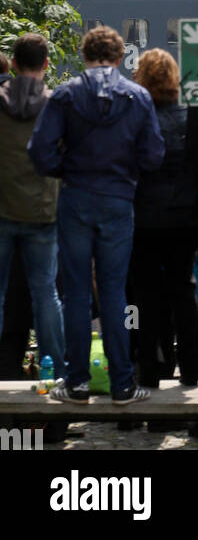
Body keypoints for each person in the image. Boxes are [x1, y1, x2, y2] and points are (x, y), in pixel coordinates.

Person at [28, 25, 165, 405]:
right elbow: (154, 154)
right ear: (120, 58)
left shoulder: (67, 94)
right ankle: (122, 383)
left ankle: (77, 382)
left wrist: (65, 170)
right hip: (118, 199)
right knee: (115, 292)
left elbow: (39, 150)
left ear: (84, 55)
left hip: (76, 197)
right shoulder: (138, 96)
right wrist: (126, 173)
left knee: (74, 293)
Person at [129, 49, 198, 392]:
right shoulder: (192, 116)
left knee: (145, 294)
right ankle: (191, 367)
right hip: (184, 216)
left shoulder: (136, 117)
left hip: (143, 216)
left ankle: (150, 366)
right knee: (184, 290)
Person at [0, 34, 65, 379]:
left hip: (1, 210)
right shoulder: (55, 104)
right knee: (46, 294)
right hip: (43, 212)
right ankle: (57, 371)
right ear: (46, 65)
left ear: (12, 62)